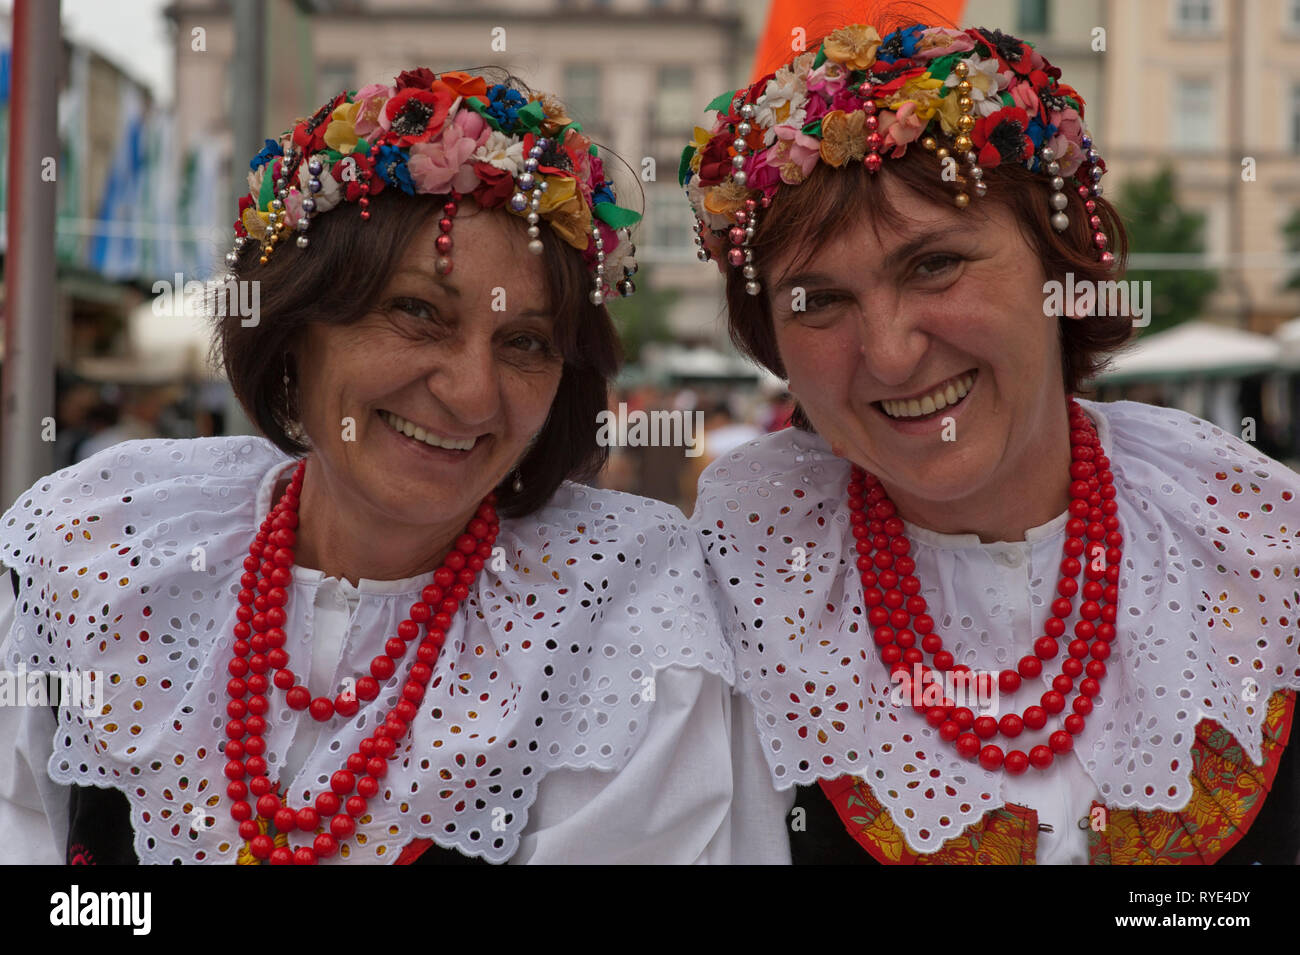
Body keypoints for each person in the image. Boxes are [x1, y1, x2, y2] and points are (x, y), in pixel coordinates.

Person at [0, 67, 760, 865]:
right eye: (418, 313)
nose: (472, 395)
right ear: (297, 324)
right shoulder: (99, 554)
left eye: (525, 343)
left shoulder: (619, 615)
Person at [682, 22, 1300, 864]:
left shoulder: (1259, 554)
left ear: (1062, 265)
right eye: (818, 301)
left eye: (934, 265)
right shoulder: (732, 601)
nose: (892, 353)